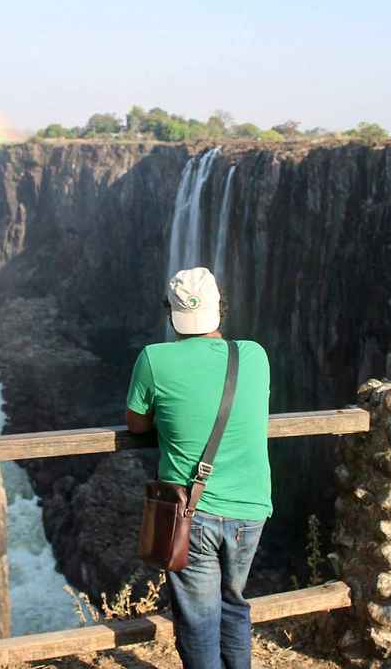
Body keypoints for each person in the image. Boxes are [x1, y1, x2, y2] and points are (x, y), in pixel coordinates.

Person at [126, 267, 272, 669]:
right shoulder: (254, 355)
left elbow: (136, 424)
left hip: (190, 511)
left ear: (171, 315)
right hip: (250, 510)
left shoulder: (154, 359)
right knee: (234, 605)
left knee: (198, 619)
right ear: (219, 310)